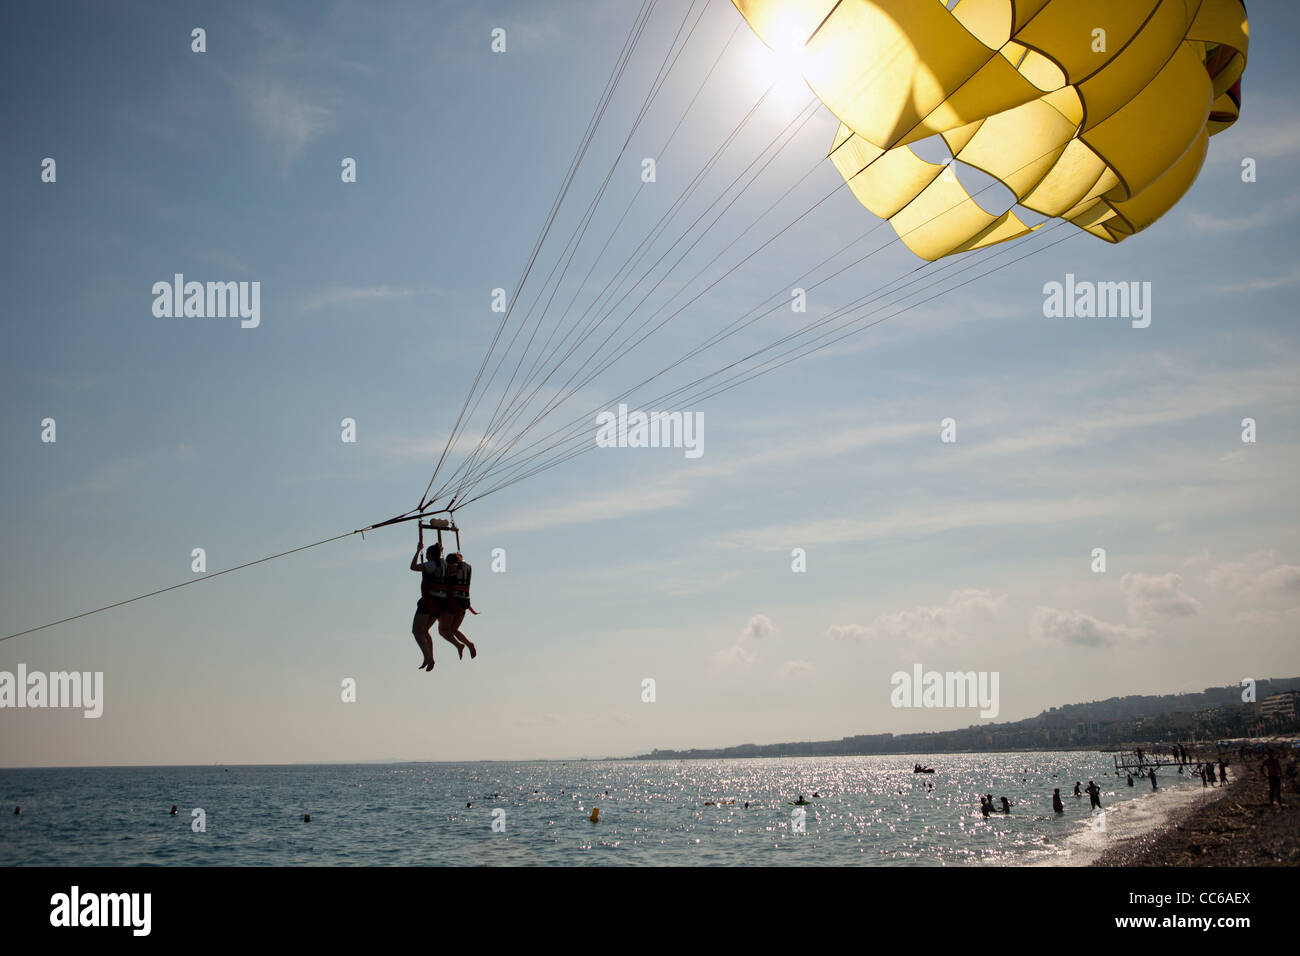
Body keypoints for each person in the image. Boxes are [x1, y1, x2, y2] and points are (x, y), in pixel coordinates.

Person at [438, 552, 477, 660]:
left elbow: (448, 572)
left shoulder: (454, 567)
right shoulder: (467, 567)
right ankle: (469, 644)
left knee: (443, 630)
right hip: (464, 602)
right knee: (453, 629)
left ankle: (459, 645)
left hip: (454, 601)